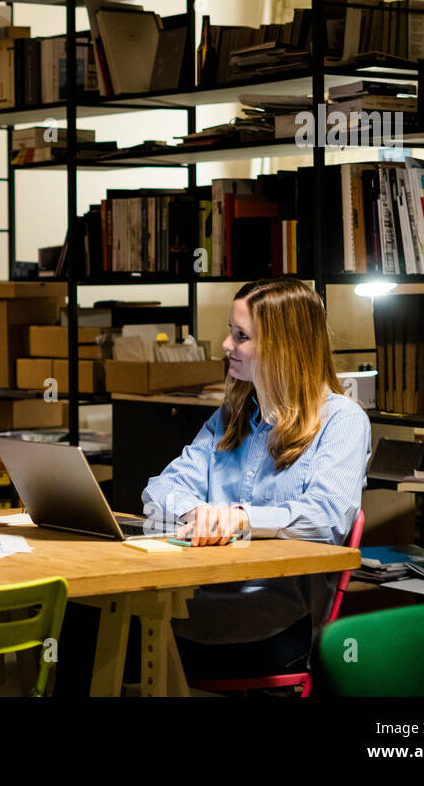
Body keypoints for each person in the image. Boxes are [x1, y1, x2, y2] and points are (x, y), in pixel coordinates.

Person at [58, 276, 369, 692]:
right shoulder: (231, 415)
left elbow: (328, 517)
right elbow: (160, 490)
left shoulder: (342, 421)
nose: (226, 345)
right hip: (189, 607)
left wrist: (238, 518)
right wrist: (198, 514)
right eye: (231, 331)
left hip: (267, 621)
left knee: (95, 634)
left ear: (284, 347)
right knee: (76, 614)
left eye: (242, 336)